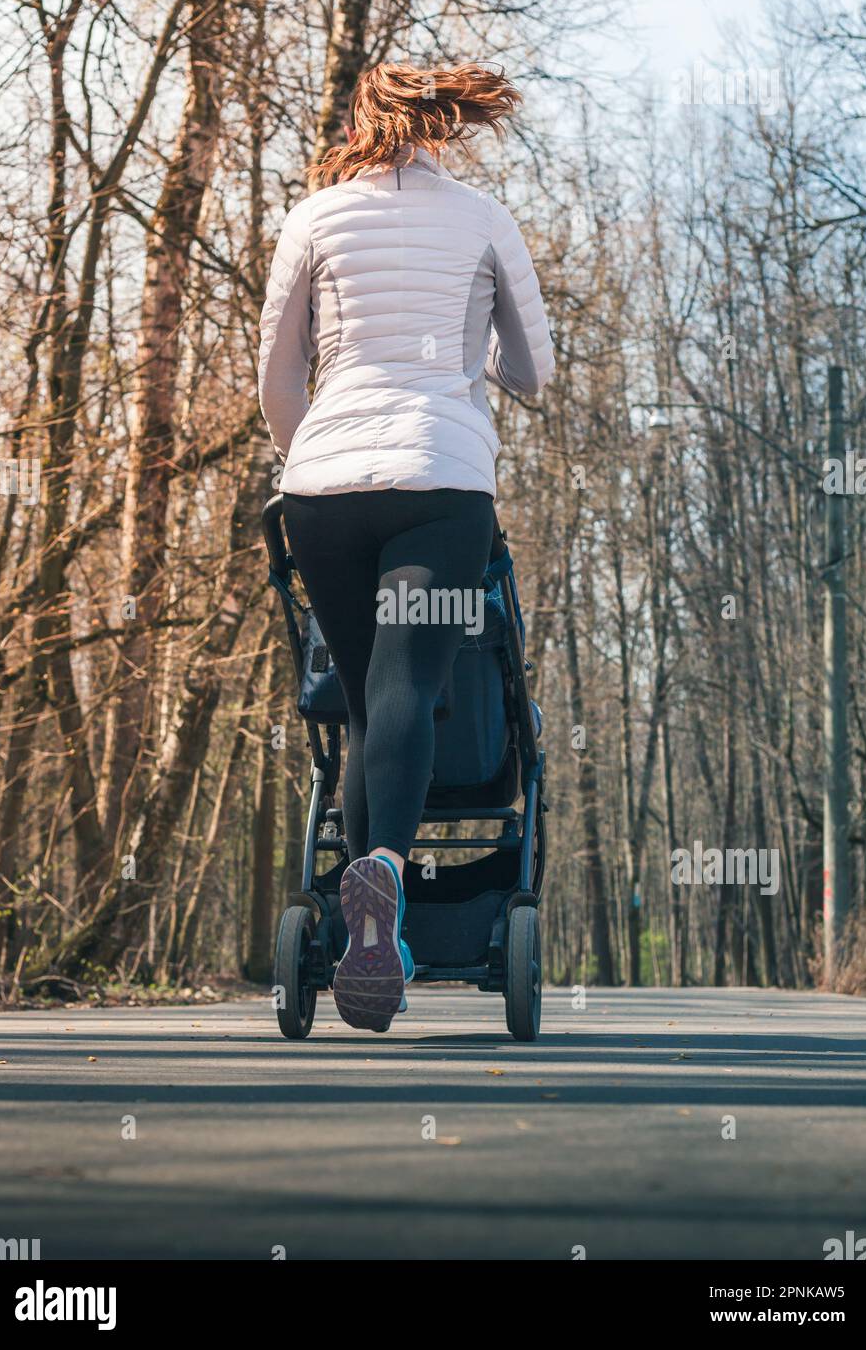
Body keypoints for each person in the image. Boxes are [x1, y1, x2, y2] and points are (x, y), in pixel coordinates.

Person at [258, 61, 554, 1031]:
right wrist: (478, 356)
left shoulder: (313, 217)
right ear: (441, 126)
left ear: (363, 124)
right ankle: (383, 875)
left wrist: (313, 456)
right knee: (406, 691)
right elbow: (534, 373)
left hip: (324, 492)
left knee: (357, 695)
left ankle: (359, 919)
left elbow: (276, 373)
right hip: (442, 483)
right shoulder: (482, 217)